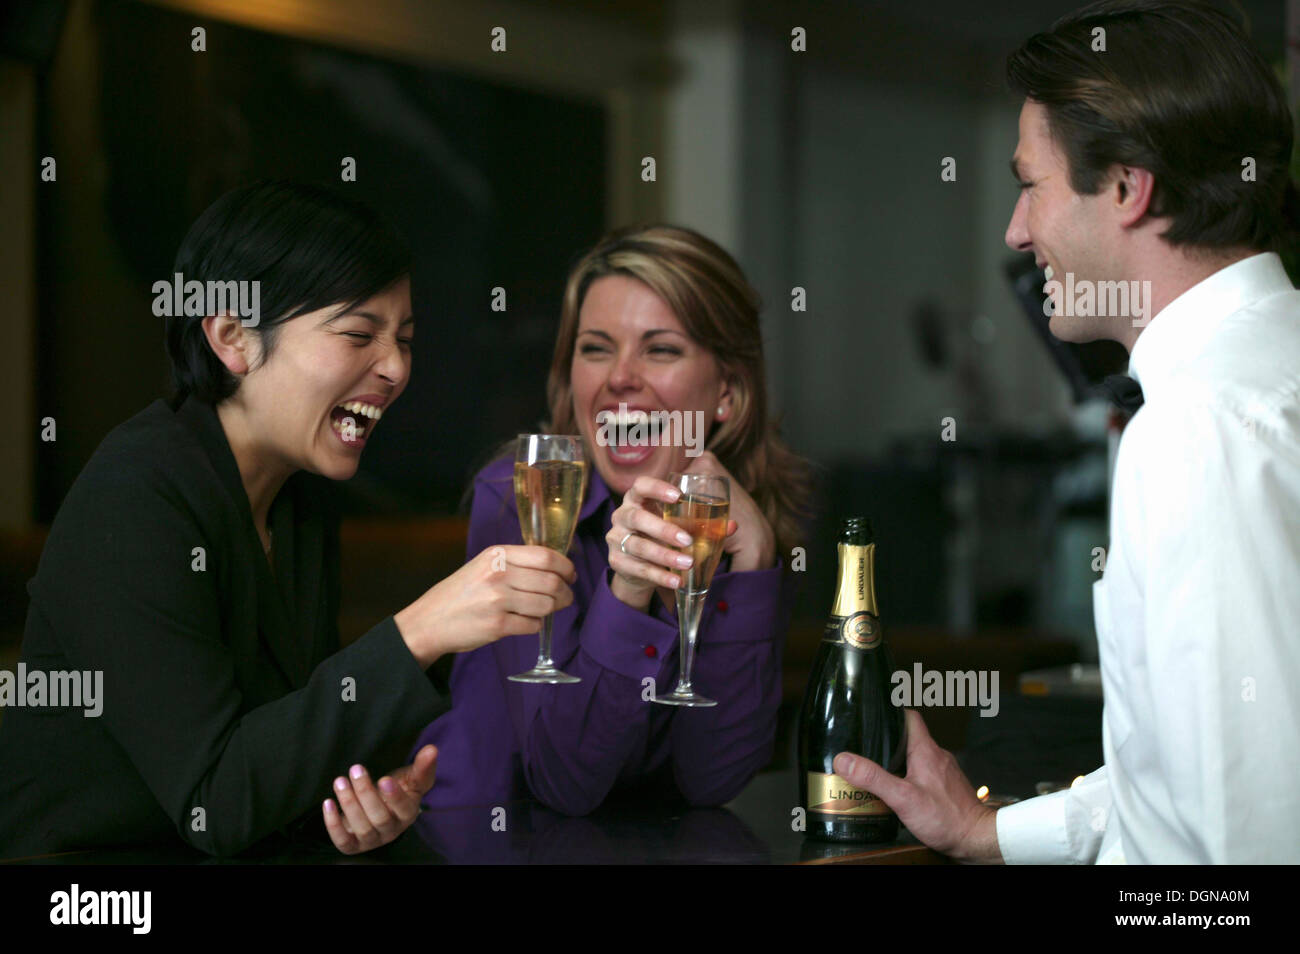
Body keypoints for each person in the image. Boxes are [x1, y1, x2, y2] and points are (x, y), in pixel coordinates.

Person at [835, 0, 1300, 864]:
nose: (1016, 231)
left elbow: (1248, 847)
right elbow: (1183, 774)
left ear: (1126, 189)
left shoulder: (1198, 430)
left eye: (1029, 183)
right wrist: (991, 831)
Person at [0, 181, 576, 858]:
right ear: (232, 336)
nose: (394, 368)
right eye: (359, 333)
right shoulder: (137, 496)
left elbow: (280, 752)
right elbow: (217, 800)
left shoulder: (299, 498)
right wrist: (421, 629)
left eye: (404, 339)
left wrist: (360, 802)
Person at [412, 225, 812, 821]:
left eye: (661, 349)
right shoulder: (520, 498)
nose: (619, 377)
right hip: (483, 841)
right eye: (596, 347)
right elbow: (564, 780)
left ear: (726, 393)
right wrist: (629, 588)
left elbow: (714, 778)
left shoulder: (734, 527)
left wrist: (751, 567)